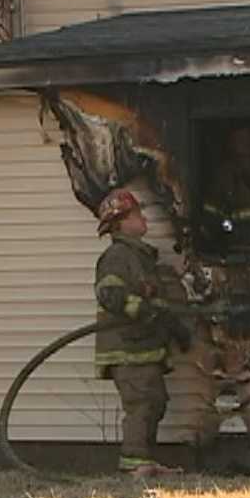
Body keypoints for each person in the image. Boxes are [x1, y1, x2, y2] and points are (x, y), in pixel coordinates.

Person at [94, 189, 191, 476]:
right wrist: (141, 310)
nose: (143, 217)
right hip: (127, 350)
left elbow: (155, 301)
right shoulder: (117, 256)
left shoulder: (141, 258)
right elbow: (109, 294)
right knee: (142, 404)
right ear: (121, 223)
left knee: (155, 402)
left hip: (143, 348)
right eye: (137, 213)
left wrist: (174, 327)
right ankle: (134, 463)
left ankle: (144, 461)